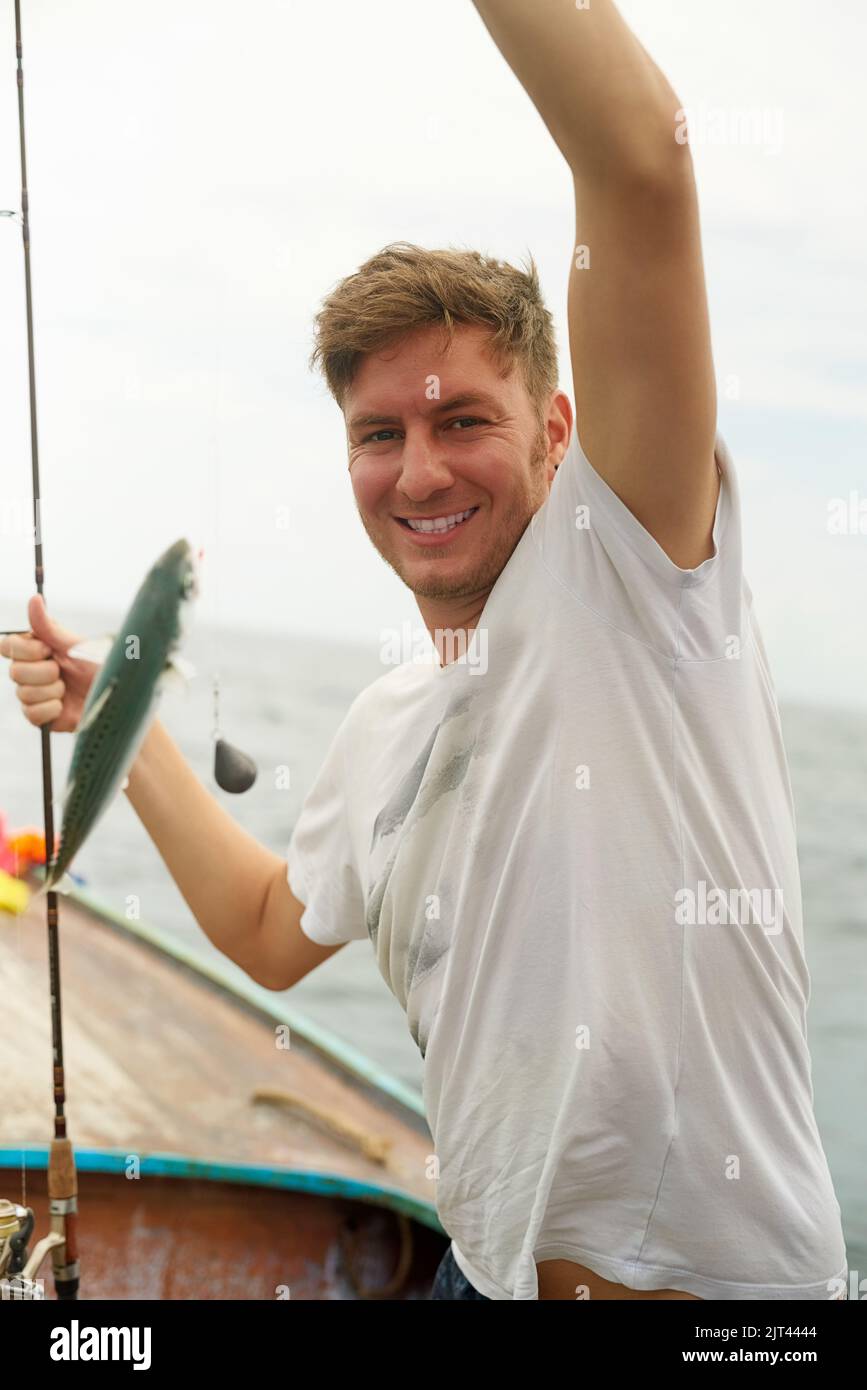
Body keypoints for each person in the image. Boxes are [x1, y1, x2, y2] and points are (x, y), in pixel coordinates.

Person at [1, 0, 848, 1301]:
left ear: (559, 430)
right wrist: (114, 711)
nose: (421, 466)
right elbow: (271, 930)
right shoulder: (388, 721)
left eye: (463, 417)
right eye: (378, 432)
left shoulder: (637, 578)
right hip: (484, 1277)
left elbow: (639, 159)